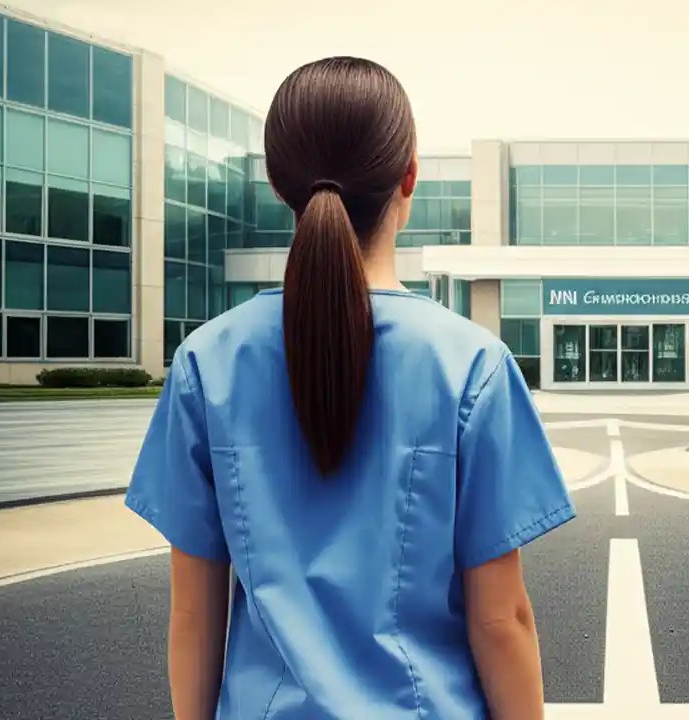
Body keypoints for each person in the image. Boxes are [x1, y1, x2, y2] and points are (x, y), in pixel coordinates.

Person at [125, 56, 575, 720]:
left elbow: (194, 615)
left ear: (281, 187)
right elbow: (501, 619)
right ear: (409, 177)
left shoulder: (205, 363)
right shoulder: (472, 366)